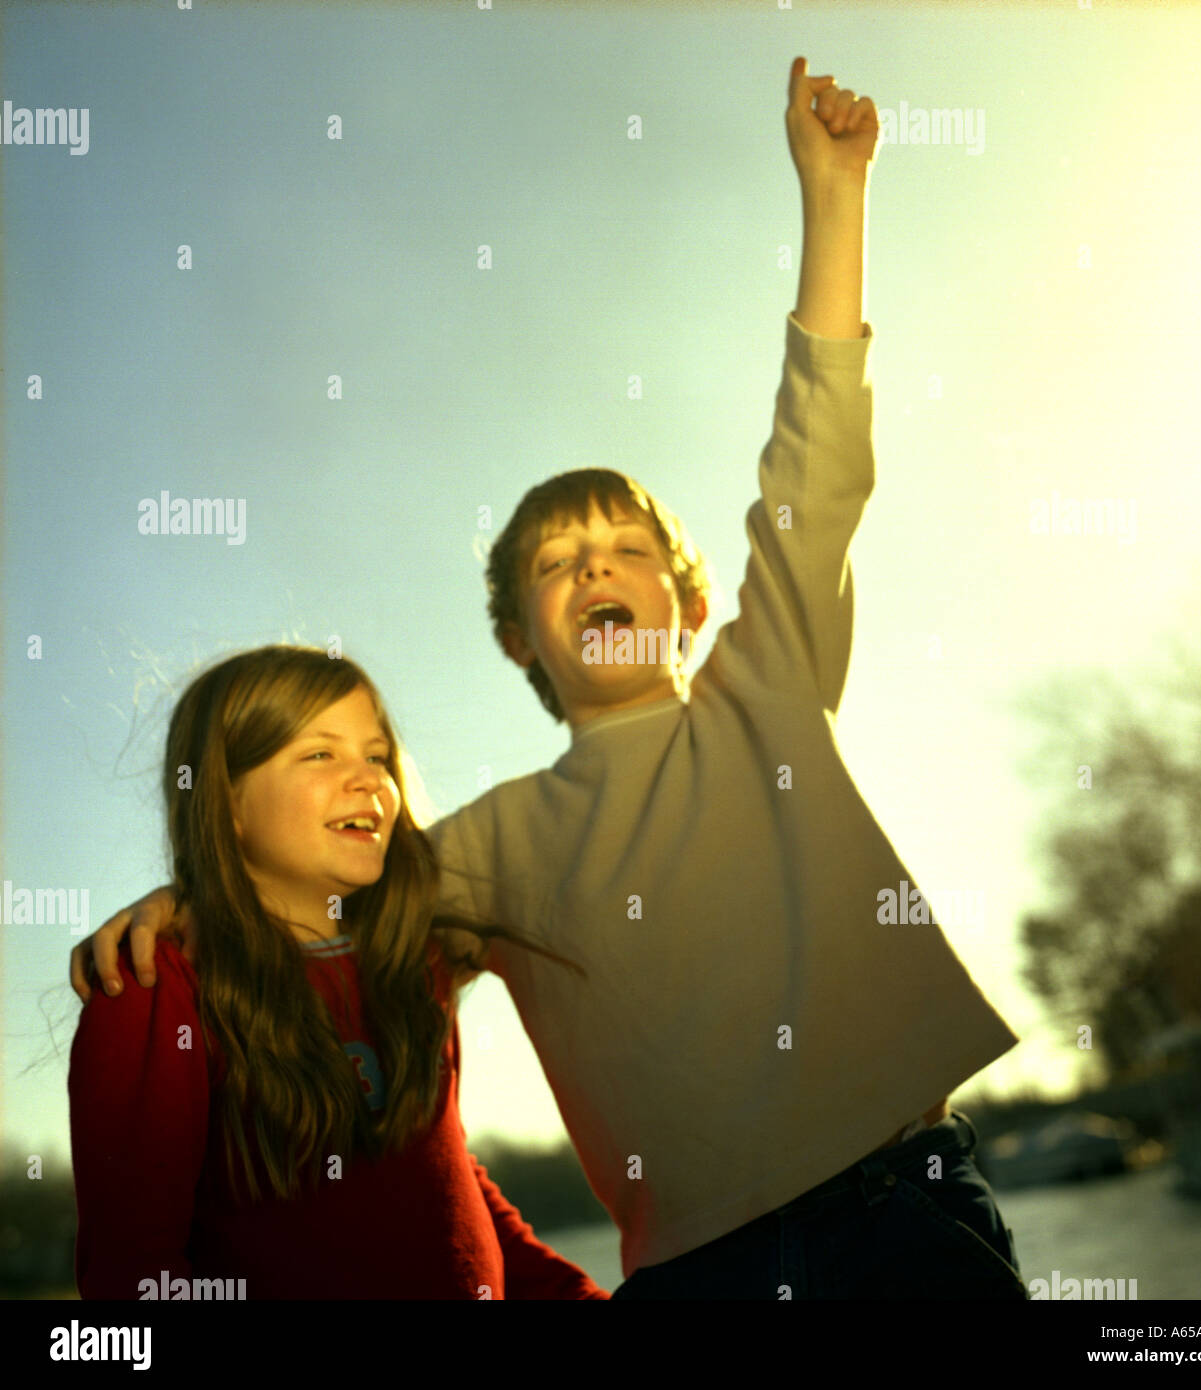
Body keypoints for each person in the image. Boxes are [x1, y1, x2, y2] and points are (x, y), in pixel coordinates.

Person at [73, 58, 1026, 1299]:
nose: (596, 572)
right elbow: (323, 883)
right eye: (558, 567)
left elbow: (819, 471)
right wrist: (188, 902)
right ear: (518, 638)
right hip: (697, 1275)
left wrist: (834, 194)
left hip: (903, 1211)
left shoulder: (767, 697)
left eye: (627, 551)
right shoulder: (488, 851)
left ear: (689, 604)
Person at [68, 644, 608, 1300]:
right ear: (227, 803)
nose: (368, 779)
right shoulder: (156, 987)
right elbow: (133, 1270)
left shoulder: (414, 966)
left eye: (377, 756)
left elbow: (445, 1180)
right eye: (320, 753)